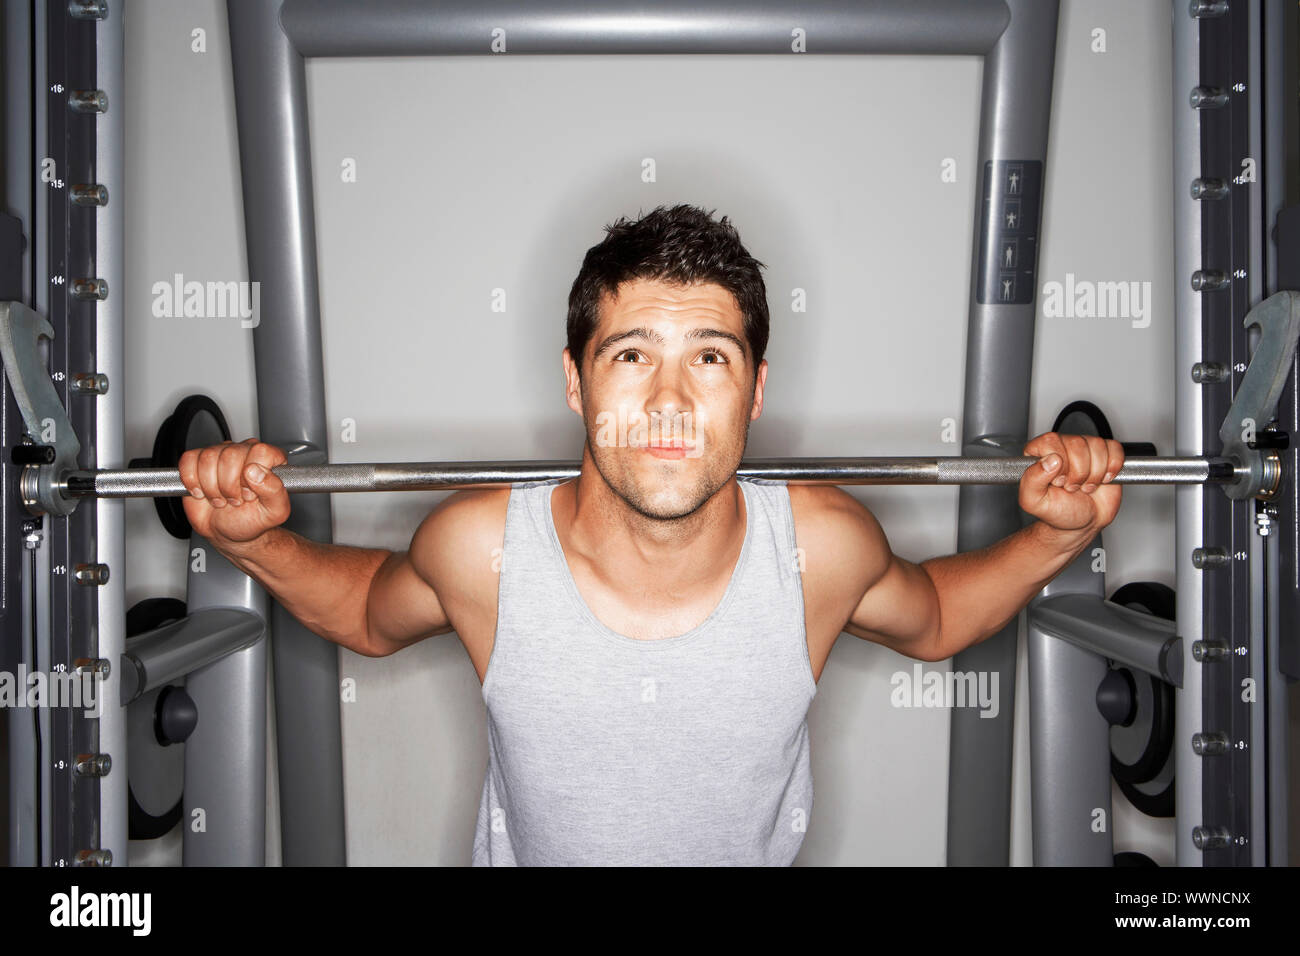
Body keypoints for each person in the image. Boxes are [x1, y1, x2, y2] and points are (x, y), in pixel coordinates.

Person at [178, 203, 1124, 866]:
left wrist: (1052, 541)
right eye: (631, 355)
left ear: (754, 390)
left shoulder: (822, 547)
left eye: (709, 358)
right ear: (575, 382)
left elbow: (937, 619)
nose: (669, 401)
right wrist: (258, 543)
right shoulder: (483, 550)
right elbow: (368, 614)